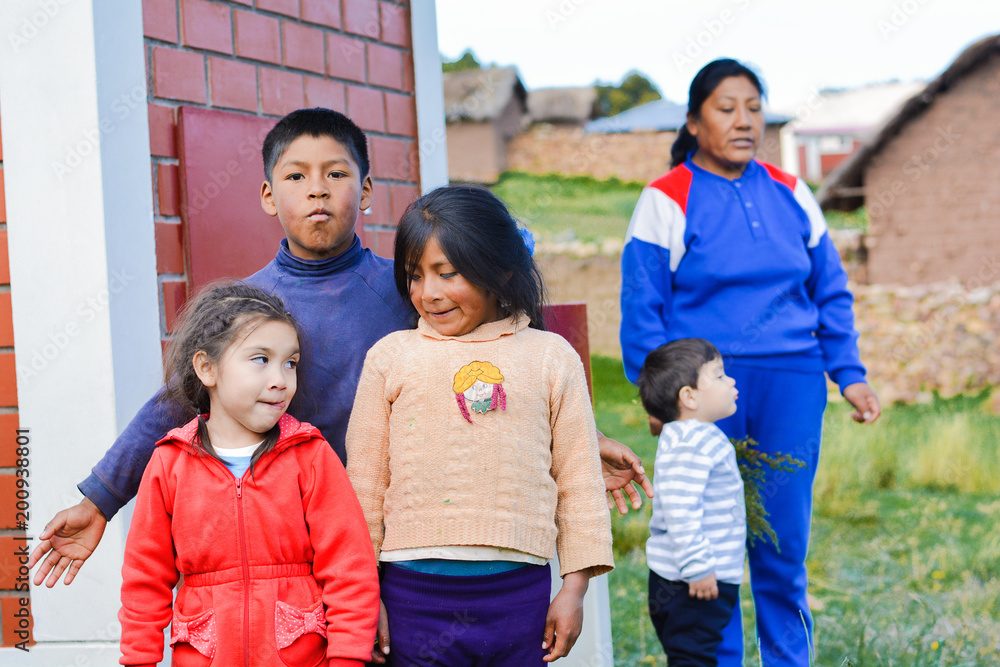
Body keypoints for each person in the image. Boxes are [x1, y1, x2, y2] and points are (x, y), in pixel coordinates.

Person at [29, 108, 650, 587]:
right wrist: (101, 499)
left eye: (336, 174)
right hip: (292, 534)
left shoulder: (411, 290)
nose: (317, 190)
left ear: (368, 189)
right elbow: (175, 404)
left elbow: (498, 359)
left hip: (402, 535)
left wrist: (579, 440)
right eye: (296, 177)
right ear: (270, 196)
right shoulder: (242, 307)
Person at [620, 59, 881, 666]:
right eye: (726, 107)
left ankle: (789, 659)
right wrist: (660, 395)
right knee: (709, 538)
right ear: (694, 120)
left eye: (754, 107)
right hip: (704, 389)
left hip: (792, 380)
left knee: (782, 541)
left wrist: (850, 372)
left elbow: (831, 290)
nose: (744, 120)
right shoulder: (665, 198)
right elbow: (643, 303)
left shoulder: (791, 192)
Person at [346, 185, 614, 666]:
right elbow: (364, 486)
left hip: (519, 596)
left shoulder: (551, 358)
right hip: (410, 596)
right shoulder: (391, 358)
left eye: (447, 273)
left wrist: (574, 590)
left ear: (501, 269)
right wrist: (364, 596)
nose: (428, 293)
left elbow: (579, 480)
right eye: (414, 275)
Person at [118, 282, 379, 666]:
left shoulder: (310, 455)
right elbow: (145, 579)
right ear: (207, 368)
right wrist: (138, 660)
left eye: (290, 362)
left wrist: (347, 659)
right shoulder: (170, 463)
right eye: (261, 359)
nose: (281, 379)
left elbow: (350, 571)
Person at [638, 338, 744, 666]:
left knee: (690, 654)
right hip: (691, 584)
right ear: (689, 396)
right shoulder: (693, 442)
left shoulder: (688, 436)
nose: (732, 382)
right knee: (692, 658)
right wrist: (697, 567)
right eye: (720, 375)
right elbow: (680, 509)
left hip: (685, 579)